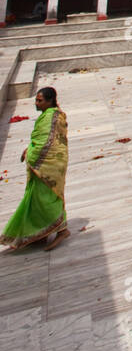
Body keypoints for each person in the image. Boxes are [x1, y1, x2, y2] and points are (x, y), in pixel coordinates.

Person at [1, 86, 69, 251]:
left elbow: (48, 144)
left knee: (47, 200)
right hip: (42, 166)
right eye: (36, 100)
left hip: (49, 166)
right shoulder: (48, 116)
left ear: (50, 101)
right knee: (36, 201)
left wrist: (31, 154)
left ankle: (62, 230)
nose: (36, 103)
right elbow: (39, 140)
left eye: (40, 100)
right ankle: (41, 232)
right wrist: (28, 149)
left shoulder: (53, 117)